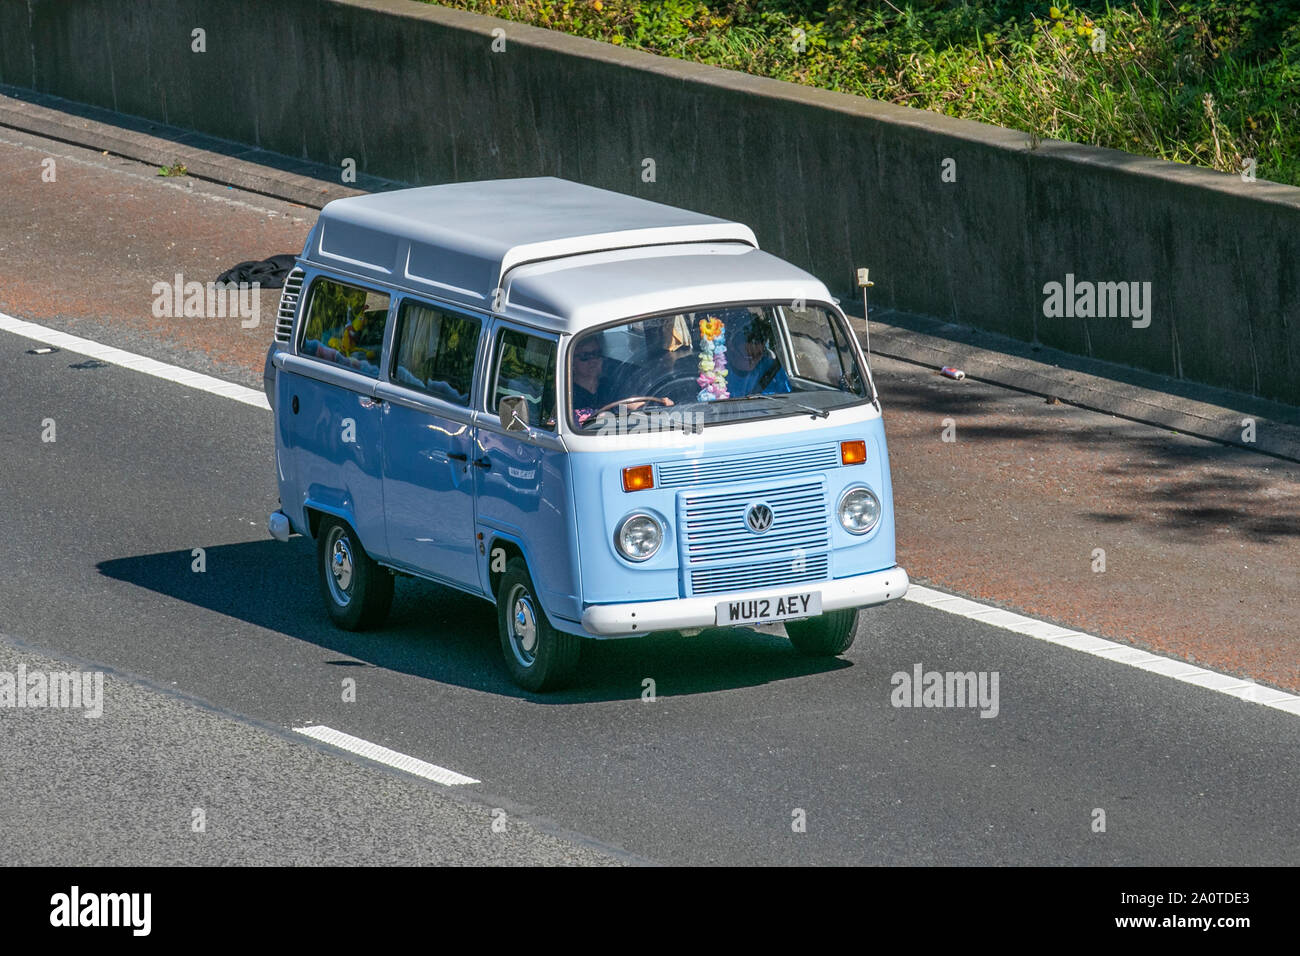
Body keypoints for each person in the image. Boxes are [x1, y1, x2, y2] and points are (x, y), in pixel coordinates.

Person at [725, 311, 791, 397]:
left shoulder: (772, 370)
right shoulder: (714, 372)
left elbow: (787, 398)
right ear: (731, 345)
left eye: (759, 354)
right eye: (749, 355)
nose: (755, 360)